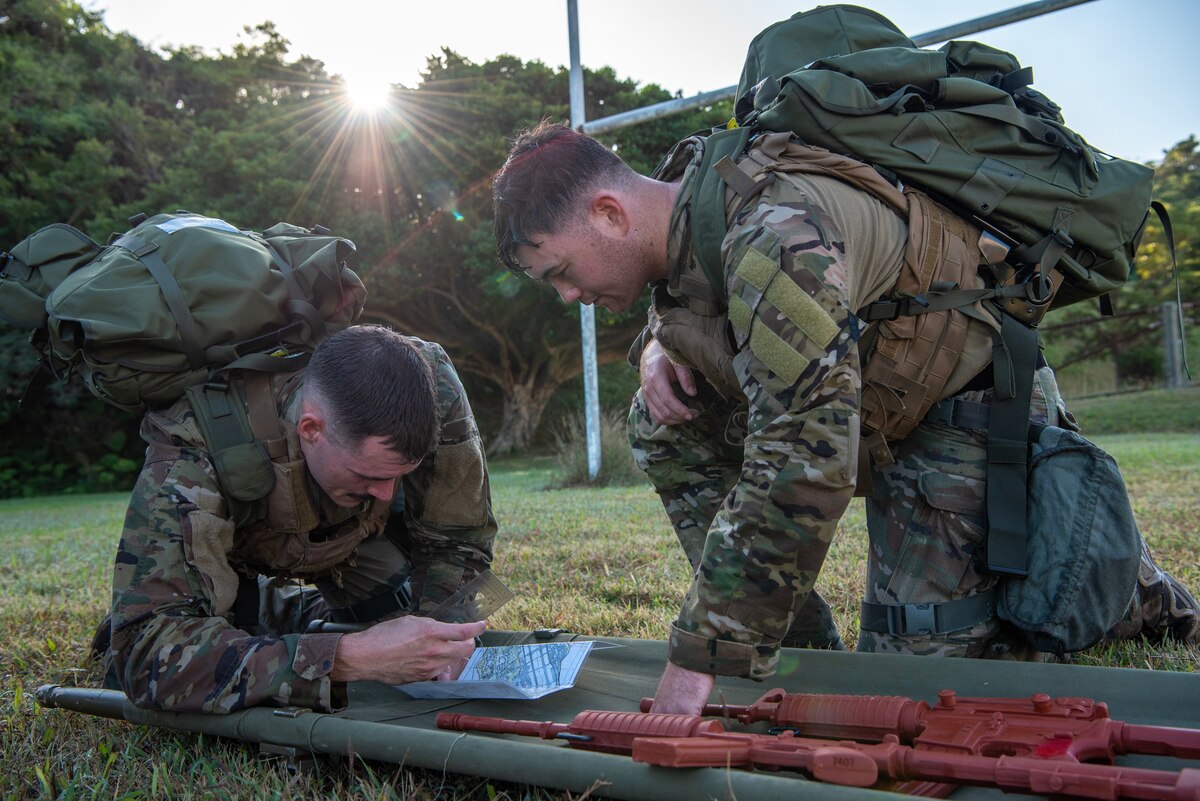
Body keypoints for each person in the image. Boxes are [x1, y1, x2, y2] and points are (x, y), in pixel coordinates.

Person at [490, 121, 1199, 715]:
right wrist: (656, 345)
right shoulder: (688, 203)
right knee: (663, 417)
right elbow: (725, 308)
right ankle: (795, 645)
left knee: (911, 688)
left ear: (610, 213)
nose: (567, 295)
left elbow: (803, 454)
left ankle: (1116, 577)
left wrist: (706, 649)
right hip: (879, 402)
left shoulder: (773, 231)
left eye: (560, 271)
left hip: (968, 402)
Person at [98, 324, 495, 713]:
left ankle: (284, 612)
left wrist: (443, 632)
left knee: (399, 621)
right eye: (369, 476)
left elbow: (458, 541)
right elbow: (145, 654)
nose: (388, 495)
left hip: (349, 542)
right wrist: (346, 658)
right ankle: (247, 606)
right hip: (236, 553)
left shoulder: (432, 388)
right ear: (311, 429)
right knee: (202, 671)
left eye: (400, 477)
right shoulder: (193, 452)